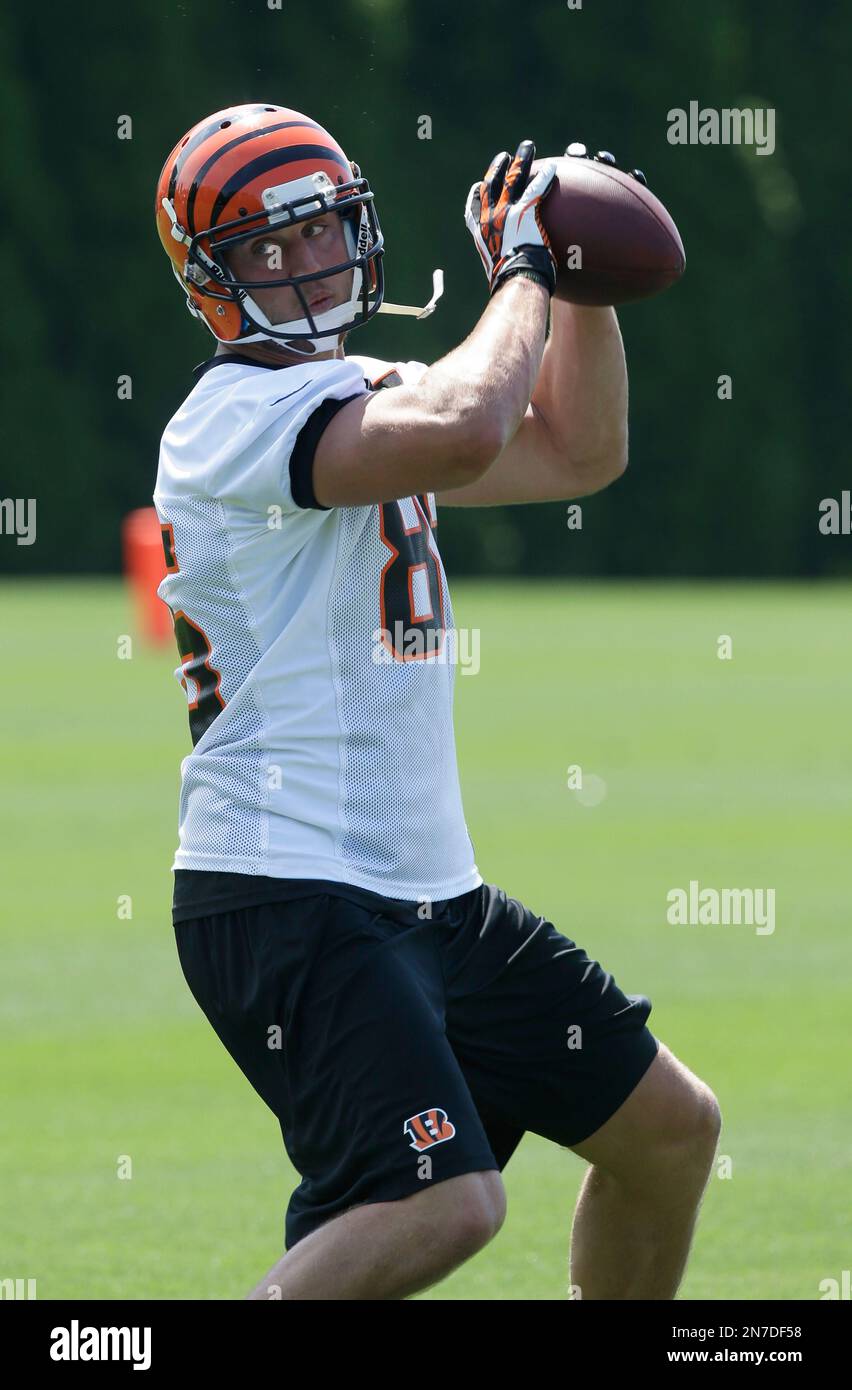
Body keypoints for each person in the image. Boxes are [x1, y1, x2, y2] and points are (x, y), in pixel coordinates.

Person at [153, 103, 721, 1300]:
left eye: (323, 233)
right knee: (443, 1204)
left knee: (669, 1132)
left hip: (427, 898)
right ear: (213, 280)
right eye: (271, 247)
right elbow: (466, 428)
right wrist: (521, 264)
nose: (311, 264)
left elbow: (580, 452)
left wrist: (580, 283)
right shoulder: (230, 421)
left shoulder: (361, 387)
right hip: (291, 893)